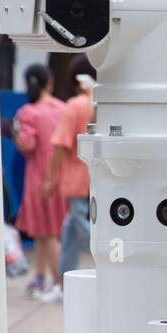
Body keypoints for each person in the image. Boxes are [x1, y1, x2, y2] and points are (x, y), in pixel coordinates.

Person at [13, 64, 66, 302]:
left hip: (38, 179)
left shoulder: (28, 113)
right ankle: (40, 275)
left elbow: (27, 145)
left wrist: (14, 133)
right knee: (52, 231)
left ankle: (59, 282)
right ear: (49, 82)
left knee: (46, 233)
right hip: (61, 177)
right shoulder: (62, 109)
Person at [48, 56, 95, 275]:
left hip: (76, 177)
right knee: (70, 232)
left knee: (81, 227)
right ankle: (63, 279)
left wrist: (49, 179)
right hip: (96, 175)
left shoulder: (75, 106)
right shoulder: (101, 103)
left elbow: (61, 144)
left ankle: (109, 256)